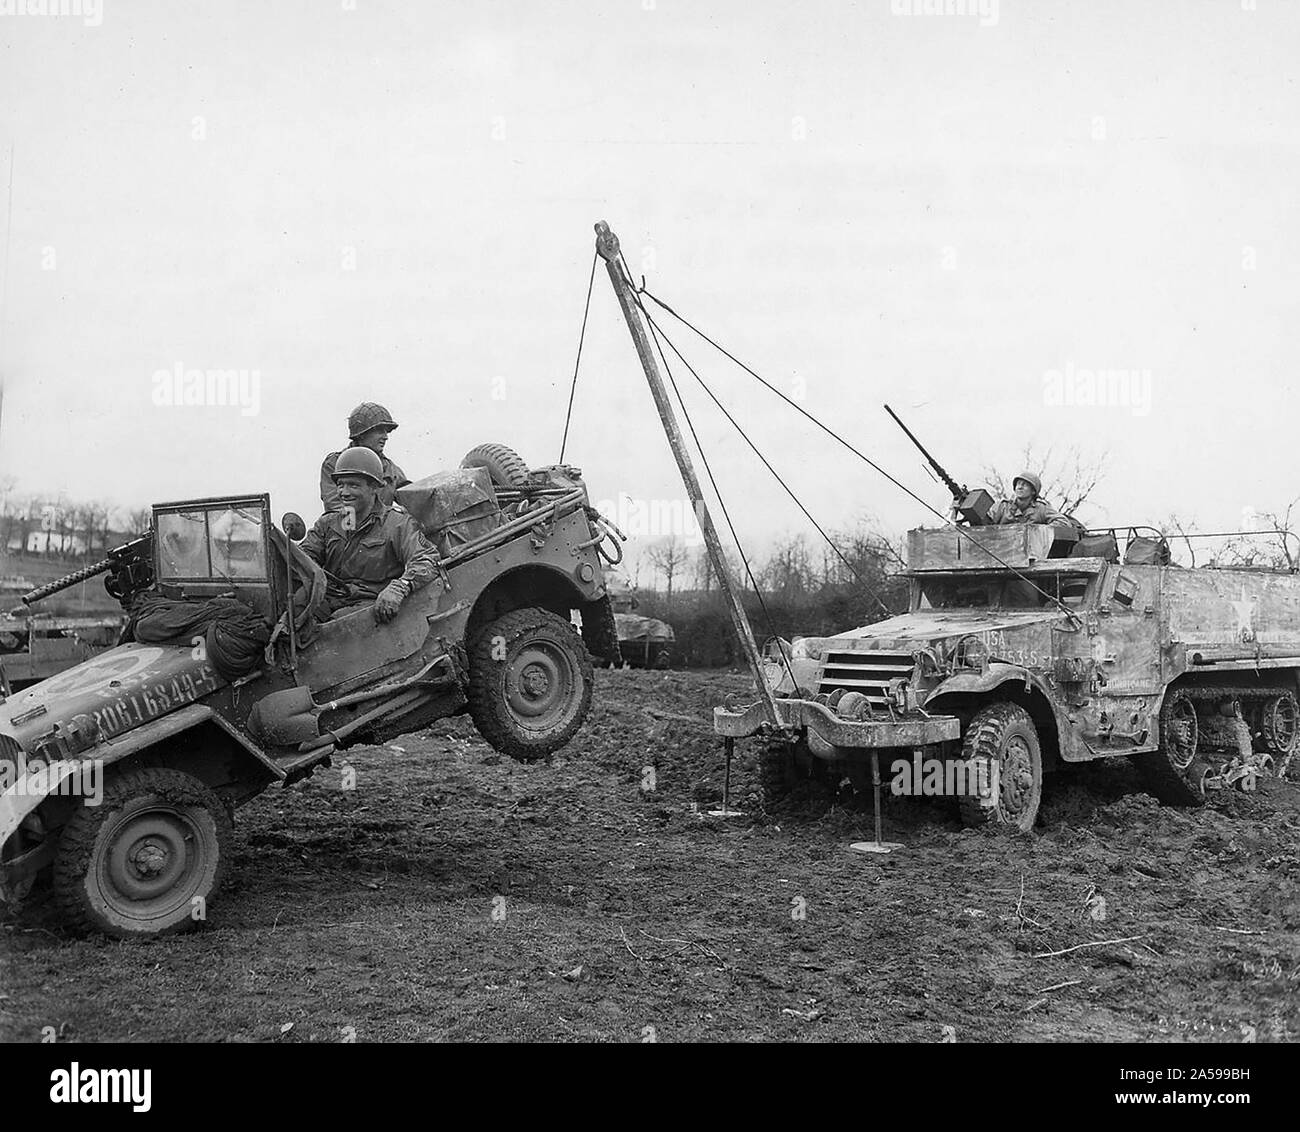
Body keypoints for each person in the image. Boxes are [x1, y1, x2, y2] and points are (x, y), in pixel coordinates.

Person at [302, 447, 439, 622]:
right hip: (330, 601)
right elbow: (303, 558)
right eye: (340, 485)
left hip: (370, 608)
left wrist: (399, 587)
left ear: (374, 487)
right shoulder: (329, 523)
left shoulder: (396, 524)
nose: (344, 492)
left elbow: (427, 559)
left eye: (353, 485)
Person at [320, 402, 411, 511]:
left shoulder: (390, 469)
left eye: (386, 432)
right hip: (348, 525)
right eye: (379, 431)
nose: (385, 437)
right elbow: (335, 506)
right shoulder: (334, 463)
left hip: (383, 526)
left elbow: (412, 497)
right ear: (362, 434)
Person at [987, 471, 1074, 527]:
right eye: (1018, 484)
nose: (1020, 487)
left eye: (1024, 485)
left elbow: (1064, 522)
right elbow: (984, 523)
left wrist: (1040, 530)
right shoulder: (1003, 506)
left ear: (1033, 491)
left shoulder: (1041, 508)